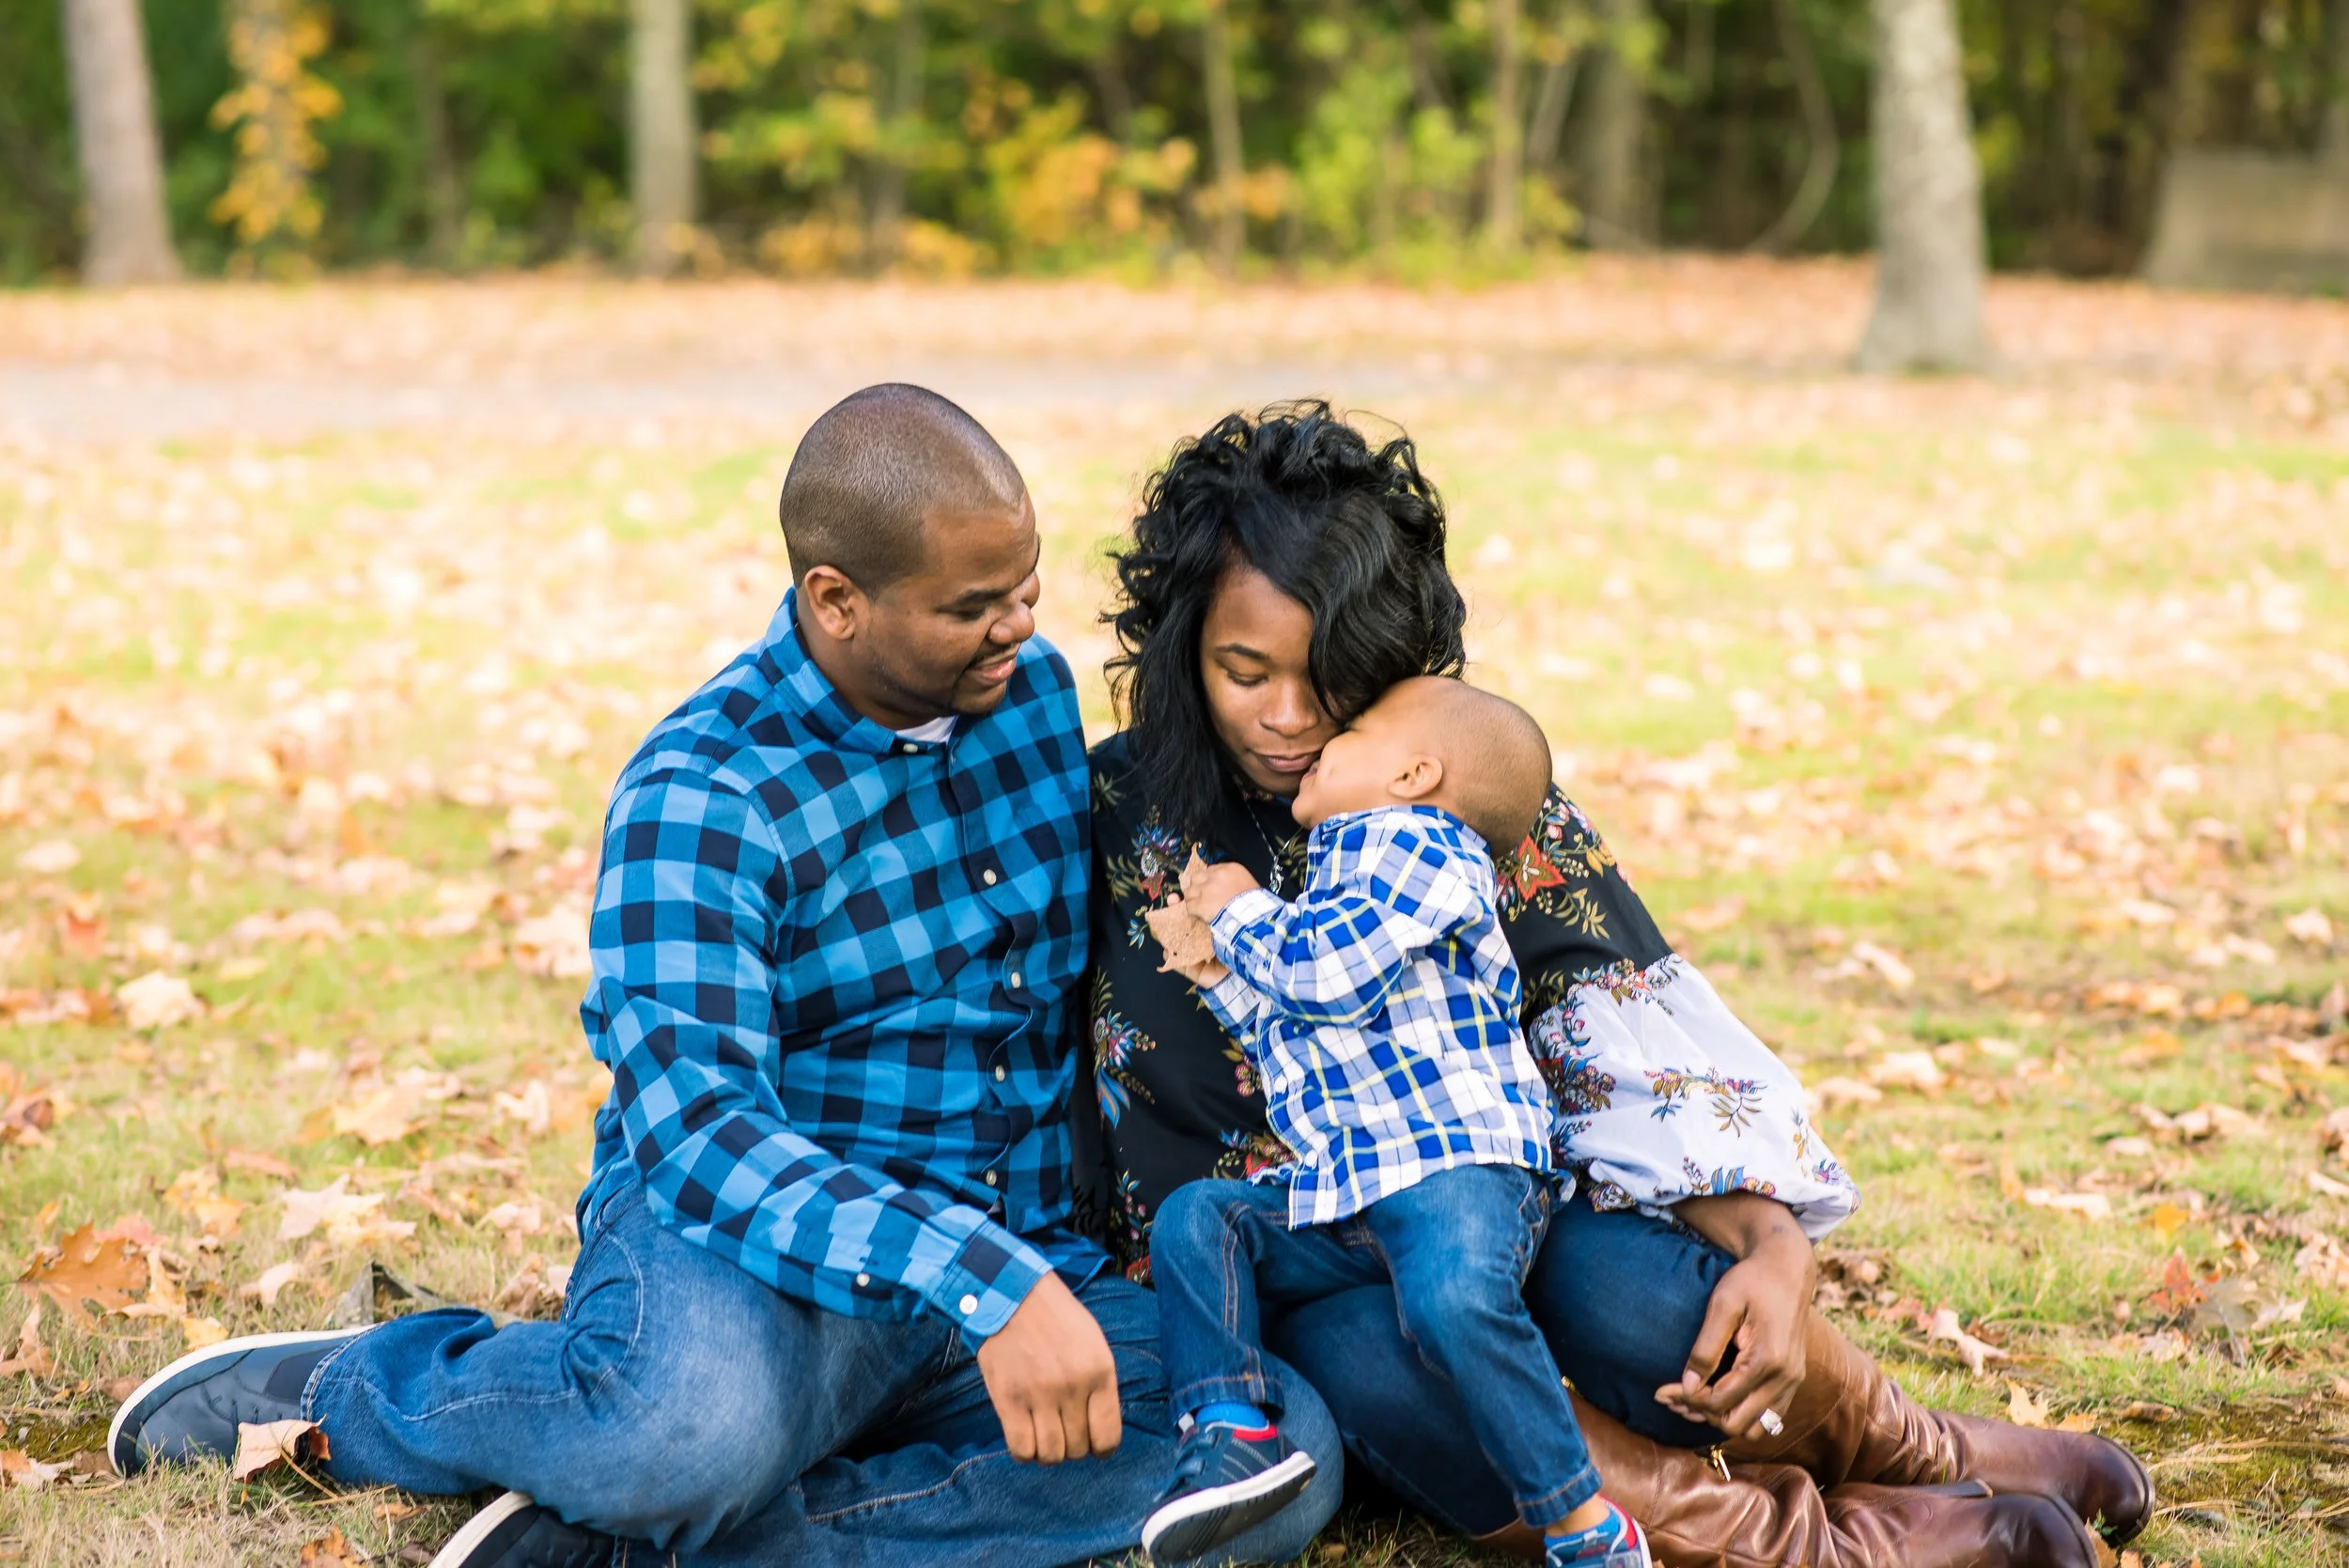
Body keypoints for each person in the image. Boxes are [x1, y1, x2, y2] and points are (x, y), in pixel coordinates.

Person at [105, 384, 1341, 1568]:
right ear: (837, 599)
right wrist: (980, 1284)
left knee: (1265, 1449)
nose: (1017, 627)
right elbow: (701, 1136)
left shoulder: (1030, 703)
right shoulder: (702, 795)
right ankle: (362, 1392)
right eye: (973, 606)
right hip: (758, 1250)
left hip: (1007, 1253)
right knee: (679, 1435)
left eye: (1025, 588)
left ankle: (689, 1544)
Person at [1074, 400, 2155, 1568]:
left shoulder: (1436, 793)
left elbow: (1613, 1023)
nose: (1288, 718)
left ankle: (1916, 1453)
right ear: (1183, 645)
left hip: (1492, 1202)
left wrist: (1774, 1247)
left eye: (1329, 679)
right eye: (1245, 671)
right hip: (1286, 1274)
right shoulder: (1108, 817)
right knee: (1383, 1358)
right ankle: (1824, 1544)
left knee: (1631, 1296)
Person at [1138, 677, 1651, 1568]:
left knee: (1453, 1300)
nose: (1324, 732)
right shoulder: (1342, 875)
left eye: (1357, 727)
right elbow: (1298, 1031)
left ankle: (1580, 1518)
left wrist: (1241, 908)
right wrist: (1219, 975)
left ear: (1415, 772)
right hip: (1357, 1188)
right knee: (1199, 1217)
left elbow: (1328, 976)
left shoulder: (1423, 848)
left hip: (1458, 1163)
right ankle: (1230, 1427)